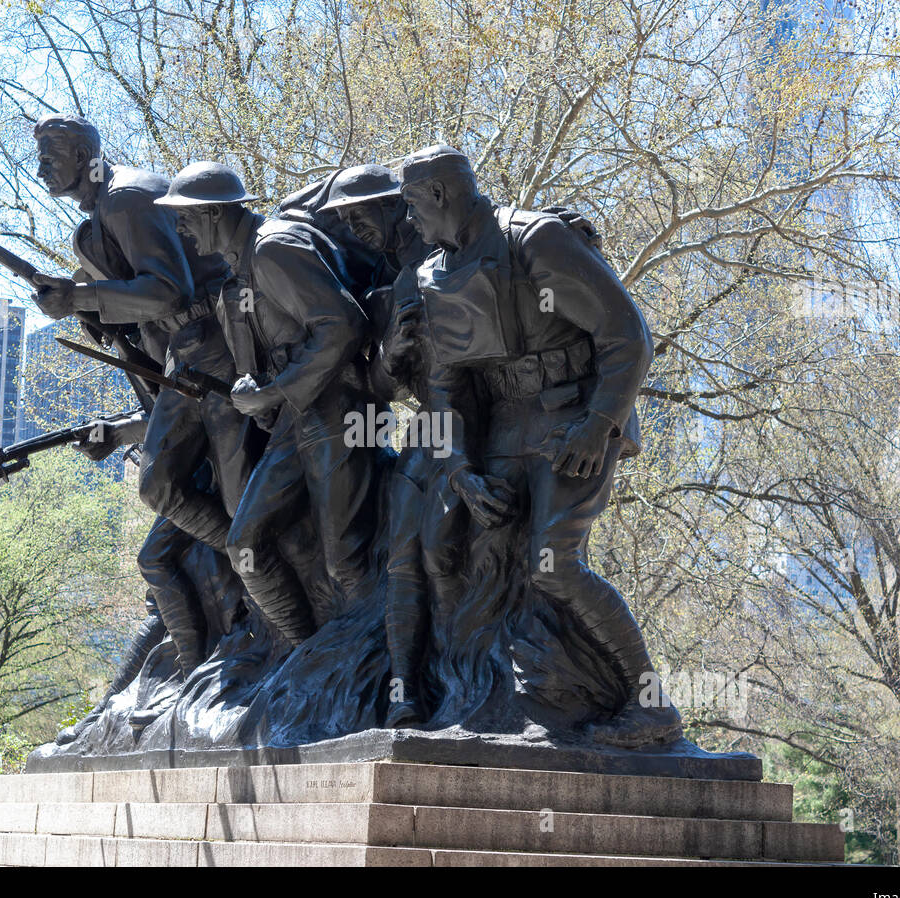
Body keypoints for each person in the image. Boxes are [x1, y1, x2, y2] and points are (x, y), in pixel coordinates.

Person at [399, 144, 682, 747]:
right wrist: (461, 472)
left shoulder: (537, 240)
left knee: (554, 564)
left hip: (569, 421)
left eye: (413, 203)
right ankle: (480, 695)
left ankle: (651, 705)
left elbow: (627, 335)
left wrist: (598, 423)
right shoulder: (433, 275)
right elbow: (448, 387)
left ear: (442, 194)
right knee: (447, 548)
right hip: (502, 427)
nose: (409, 219)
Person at [29, 115, 258, 675]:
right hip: (185, 361)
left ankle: (257, 582)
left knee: (220, 499)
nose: (39, 170)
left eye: (50, 157)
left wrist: (81, 296)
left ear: (84, 153)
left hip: (216, 354)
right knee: (162, 497)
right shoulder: (98, 221)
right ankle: (235, 590)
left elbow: (167, 291)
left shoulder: (127, 199)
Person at [155, 161, 378, 645]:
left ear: (214, 214)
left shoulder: (275, 248)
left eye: (186, 218)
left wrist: (273, 391)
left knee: (344, 556)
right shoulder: (239, 275)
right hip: (296, 418)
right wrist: (252, 390)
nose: (181, 229)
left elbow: (342, 325)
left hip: (341, 410)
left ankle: (390, 671)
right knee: (245, 544)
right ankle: (304, 654)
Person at [317, 164, 466, 726]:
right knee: (402, 556)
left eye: (359, 214)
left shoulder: (458, 258)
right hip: (429, 428)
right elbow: (379, 388)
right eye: (345, 221)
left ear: (394, 205)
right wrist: (392, 353)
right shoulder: (394, 286)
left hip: (484, 426)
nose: (355, 228)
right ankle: (405, 687)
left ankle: (458, 679)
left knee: (441, 553)